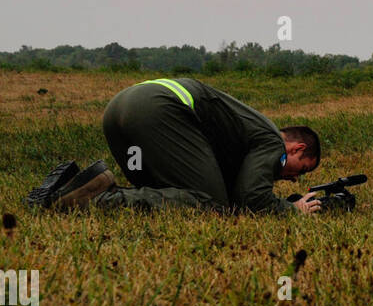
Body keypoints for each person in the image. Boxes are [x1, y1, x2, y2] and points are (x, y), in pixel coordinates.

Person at [27, 77, 323, 213]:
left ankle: (77, 185)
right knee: (210, 204)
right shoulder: (273, 141)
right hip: (159, 109)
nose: (295, 178)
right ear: (295, 148)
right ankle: (95, 200)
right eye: (302, 169)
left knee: (164, 195)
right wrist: (292, 209)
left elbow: (237, 192)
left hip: (121, 106)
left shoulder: (247, 135)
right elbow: (250, 198)